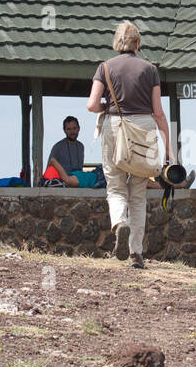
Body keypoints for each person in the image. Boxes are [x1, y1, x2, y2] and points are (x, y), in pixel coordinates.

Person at [87, 20, 170, 269]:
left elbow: (92, 105)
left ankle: (119, 223)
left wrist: (108, 107)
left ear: (116, 42)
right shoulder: (150, 69)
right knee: (138, 192)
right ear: (137, 43)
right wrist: (166, 143)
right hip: (143, 129)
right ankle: (136, 252)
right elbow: (158, 112)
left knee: (115, 186)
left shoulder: (104, 68)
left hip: (115, 127)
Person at [45, 116, 87, 186]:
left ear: (79, 129)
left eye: (74, 128)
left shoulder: (81, 146)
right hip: (62, 183)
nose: (72, 131)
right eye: (69, 129)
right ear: (64, 130)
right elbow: (49, 167)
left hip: (77, 181)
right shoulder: (58, 147)